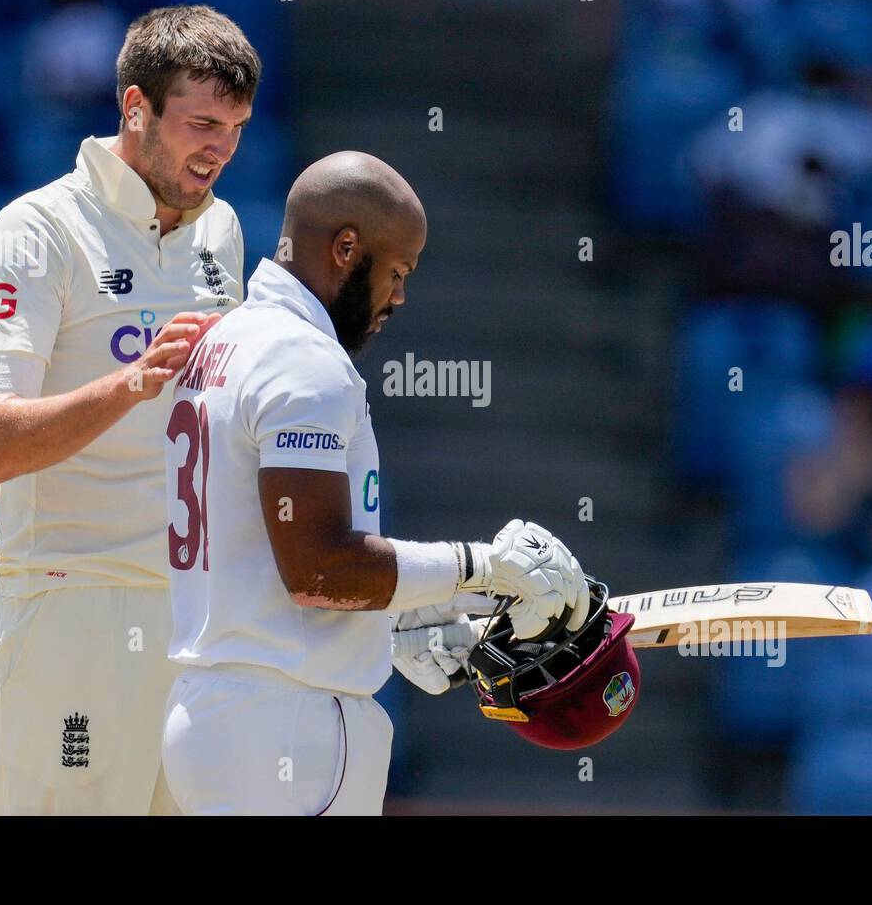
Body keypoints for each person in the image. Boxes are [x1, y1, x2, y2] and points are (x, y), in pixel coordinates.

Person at [160, 151, 590, 815]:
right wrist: (483, 568)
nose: (399, 295)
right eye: (397, 271)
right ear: (346, 247)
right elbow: (317, 570)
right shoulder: (303, 358)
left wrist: (392, 621)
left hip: (227, 715)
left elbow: (271, 563)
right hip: (283, 731)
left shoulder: (231, 339)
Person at [0, 5, 260, 814]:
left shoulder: (224, 231)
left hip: (195, 626)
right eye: (202, 123)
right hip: (70, 612)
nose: (221, 150)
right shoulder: (36, 230)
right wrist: (133, 382)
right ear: (135, 109)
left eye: (236, 128)